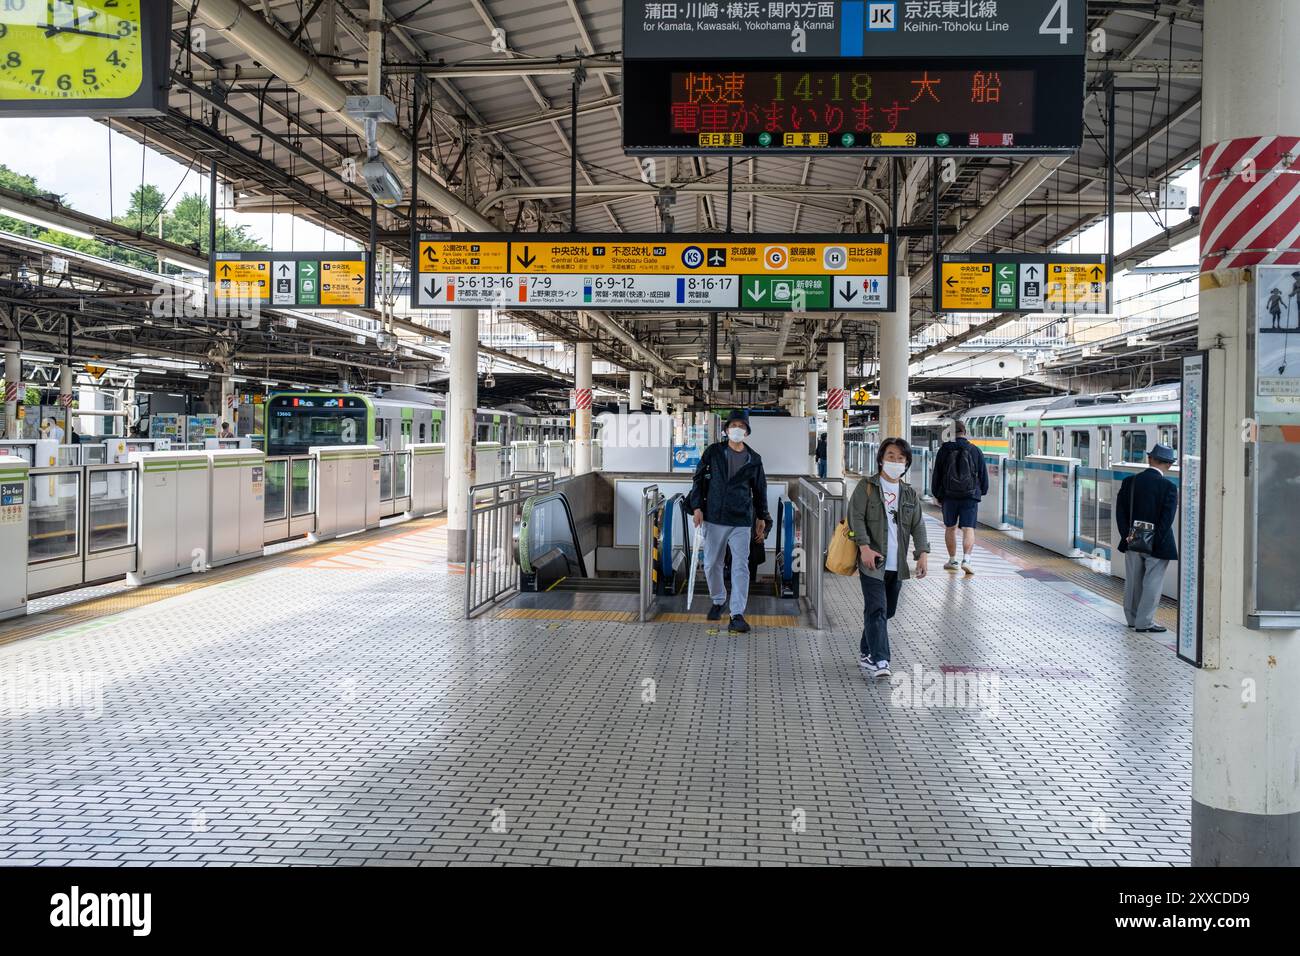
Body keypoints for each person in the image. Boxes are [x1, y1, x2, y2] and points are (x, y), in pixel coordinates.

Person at [847, 437, 930, 680]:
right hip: (873, 562)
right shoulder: (867, 487)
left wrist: (922, 555)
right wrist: (864, 548)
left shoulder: (909, 493)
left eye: (901, 458)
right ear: (881, 459)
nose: (895, 461)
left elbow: (918, 525)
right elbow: (855, 519)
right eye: (891, 456)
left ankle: (866, 649)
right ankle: (881, 660)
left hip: (898, 565)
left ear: (906, 463)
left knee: (887, 611)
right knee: (877, 609)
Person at [689, 410, 771, 634]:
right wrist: (697, 507)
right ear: (726, 430)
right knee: (711, 563)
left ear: (746, 431)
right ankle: (718, 599)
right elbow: (698, 480)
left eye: (741, 426)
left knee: (740, 566)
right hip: (714, 516)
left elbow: (760, 489)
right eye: (733, 425)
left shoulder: (754, 459)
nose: (737, 429)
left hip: (741, 519)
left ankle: (737, 614)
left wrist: (762, 516)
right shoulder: (713, 452)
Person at [1115, 443, 1179, 633]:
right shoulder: (1169, 487)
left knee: (1133, 581)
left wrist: (1127, 535)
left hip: (1133, 538)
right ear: (1168, 464)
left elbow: (1120, 513)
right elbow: (1167, 519)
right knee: (1152, 582)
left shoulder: (1130, 482)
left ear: (1149, 459)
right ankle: (1145, 622)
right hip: (1158, 543)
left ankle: (1132, 619)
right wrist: (1156, 540)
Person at [930, 420, 988, 575]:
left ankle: (952, 560)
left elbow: (937, 474)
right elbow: (983, 474)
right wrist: (980, 492)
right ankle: (967, 560)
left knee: (950, 527)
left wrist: (936, 494)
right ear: (965, 432)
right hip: (970, 496)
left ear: (950, 433)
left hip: (949, 496)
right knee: (968, 528)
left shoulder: (944, 450)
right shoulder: (975, 450)